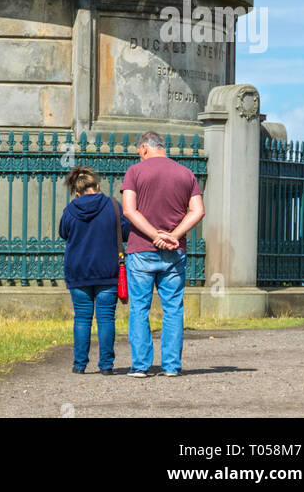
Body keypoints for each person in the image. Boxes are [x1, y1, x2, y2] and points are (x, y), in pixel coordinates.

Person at [121, 131, 205, 378]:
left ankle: (140, 366)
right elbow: (198, 211)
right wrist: (173, 235)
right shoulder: (186, 174)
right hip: (174, 252)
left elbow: (129, 210)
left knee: (139, 308)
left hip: (141, 251)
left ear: (144, 149)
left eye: (139, 153)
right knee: (173, 309)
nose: (140, 157)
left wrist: (153, 235)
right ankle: (171, 366)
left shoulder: (134, 172)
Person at [59, 166, 130, 374]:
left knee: (82, 317)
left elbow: (64, 232)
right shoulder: (113, 206)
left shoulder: (70, 210)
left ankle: (80, 365)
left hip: (78, 270)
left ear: (77, 192)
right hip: (107, 270)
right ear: (97, 186)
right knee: (106, 317)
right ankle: (106, 365)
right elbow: (125, 232)